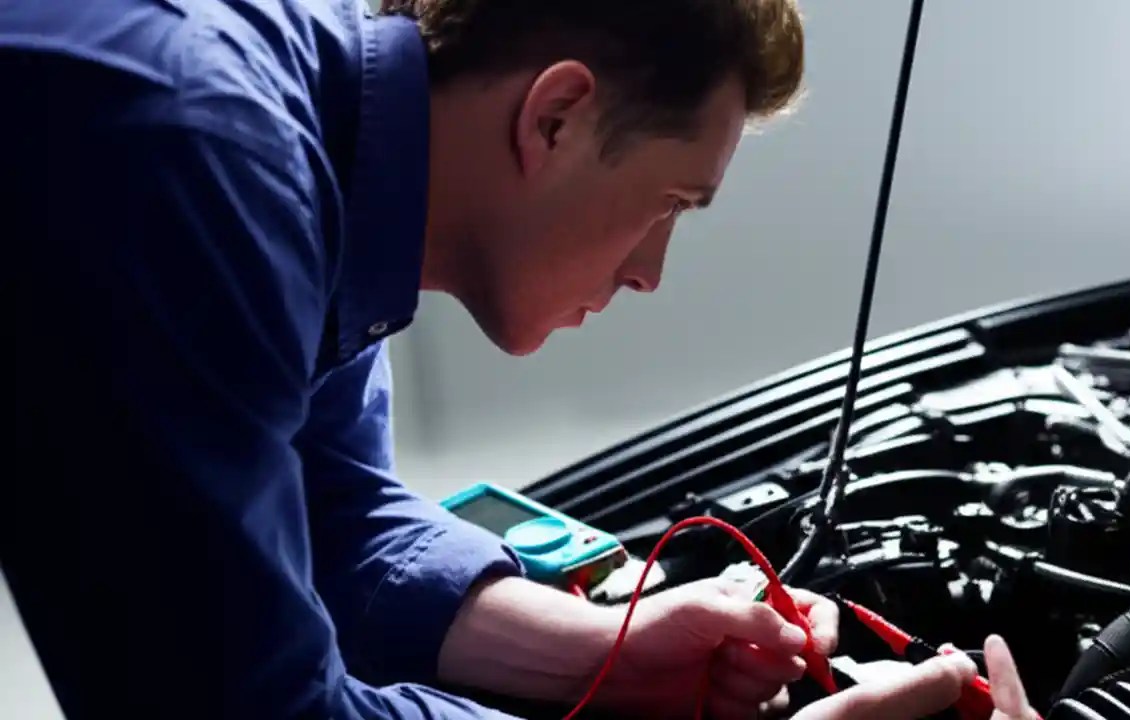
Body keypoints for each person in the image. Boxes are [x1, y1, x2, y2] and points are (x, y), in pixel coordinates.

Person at [1, 0, 1035, 718]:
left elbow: (335, 503)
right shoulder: (204, 161)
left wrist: (607, 654)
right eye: (670, 204)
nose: (650, 274)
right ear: (554, 117)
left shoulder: (312, 132)